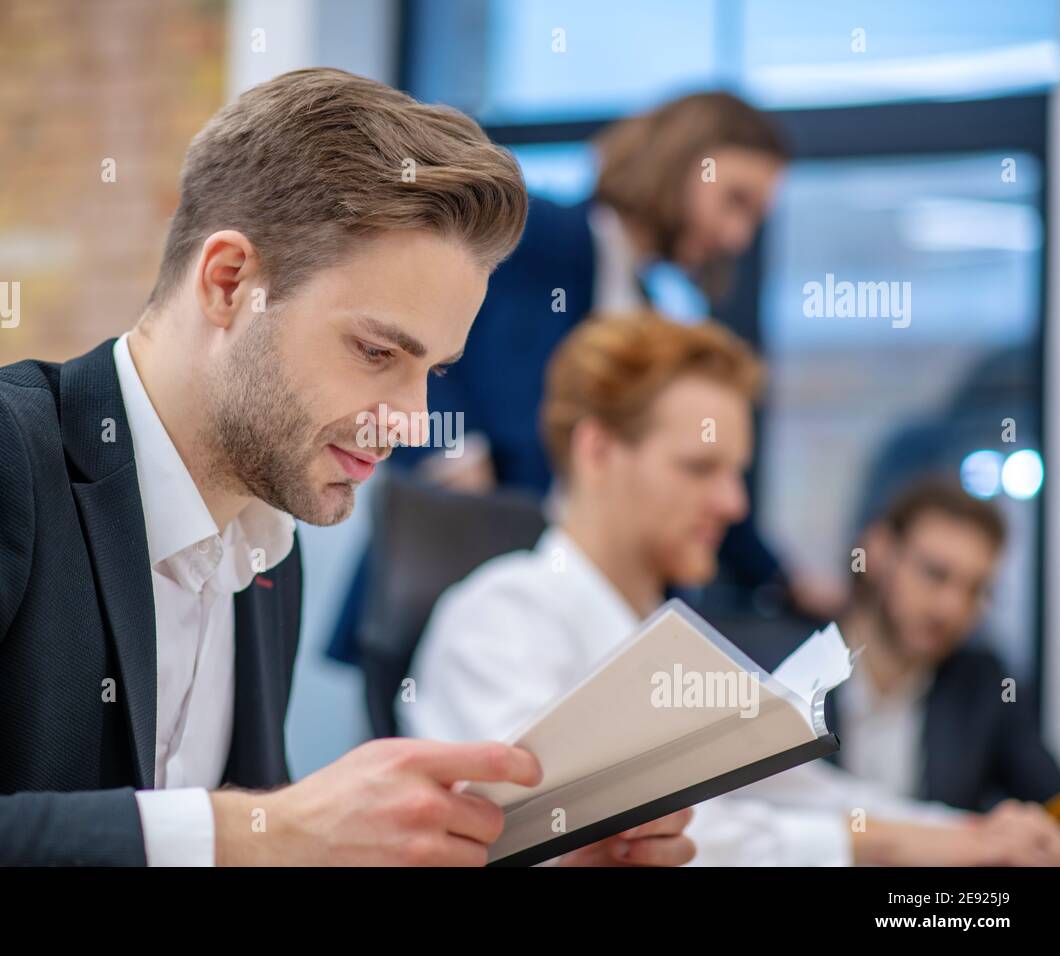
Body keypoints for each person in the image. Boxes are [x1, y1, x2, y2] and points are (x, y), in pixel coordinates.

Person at [0, 67, 693, 867]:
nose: (412, 422)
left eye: (432, 373)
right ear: (229, 282)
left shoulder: (265, 535)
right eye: (377, 353)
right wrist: (253, 833)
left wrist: (502, 850)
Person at [401, 312, 1060, 866]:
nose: (733, 503)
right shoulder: (500, 616)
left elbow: (801, 793)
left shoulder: (668, 639)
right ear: (598, 450)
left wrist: (970, 834)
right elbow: (602, 832)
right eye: (701, 468)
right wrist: (889, 842)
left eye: (736, 473)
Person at [328, 91, 834, 669]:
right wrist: (455, 451)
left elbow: (688, 463)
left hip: (559, 599)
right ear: (677, 163)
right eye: (734, 201)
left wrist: (779, 578)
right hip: (464, 561)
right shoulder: (539, 234)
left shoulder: (654, 310)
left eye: (753, 216)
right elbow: (422, 331)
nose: (738, 237)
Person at [823, 477, 1060, 816]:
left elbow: (1050, 797)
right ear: (877, 552)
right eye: (935, 573)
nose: (952, 608)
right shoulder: (781, 667)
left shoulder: (982, 684)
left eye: (975, 589)